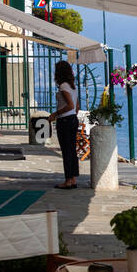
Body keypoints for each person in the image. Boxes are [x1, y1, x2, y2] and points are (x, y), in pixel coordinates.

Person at [49, 60, 80, 189]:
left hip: (65, 120)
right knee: (72, 150)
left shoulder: (63, 86)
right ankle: (73, 179)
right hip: (73, 119)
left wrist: (55, 114)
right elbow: (77, 107)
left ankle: (67, 180)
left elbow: (70, 105)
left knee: (66, 151)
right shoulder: (73, 86)